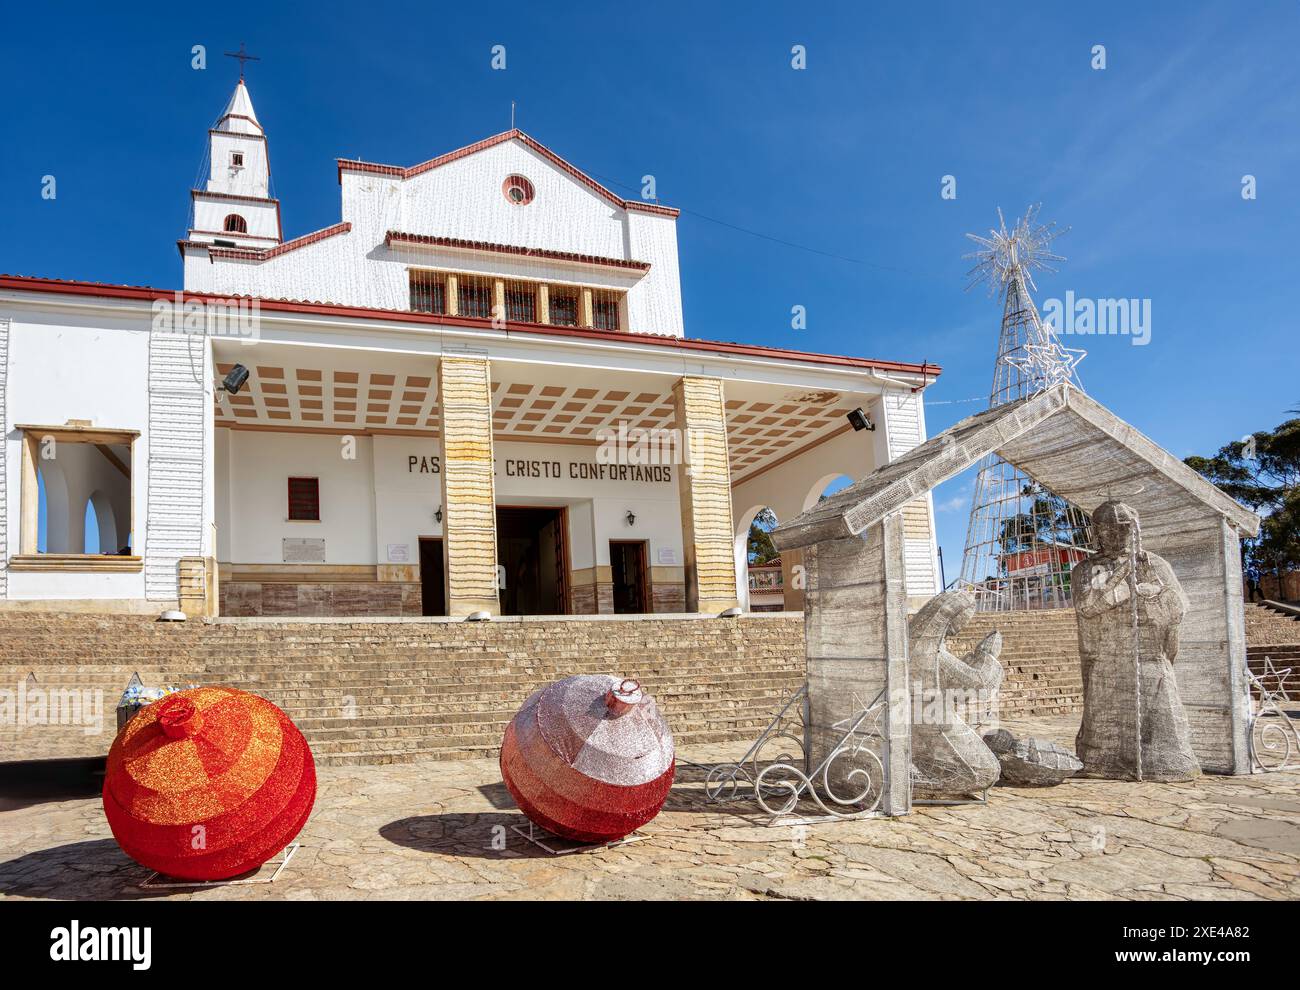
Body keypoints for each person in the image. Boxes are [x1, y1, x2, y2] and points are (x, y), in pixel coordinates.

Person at [1071, 500, 1200, 781]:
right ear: (1097, 532)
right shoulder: (1085, 569)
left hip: (1148, 654)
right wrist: (1126, 587)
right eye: (1107, 530)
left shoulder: (1154, 564)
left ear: (1134, 529)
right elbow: (1087, 606)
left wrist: (1154, 594)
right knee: (1105, 724)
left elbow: (1178, 608)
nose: (1115, 536)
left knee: (1159, 721)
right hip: (1107, 656)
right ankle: (1104, 763)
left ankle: (1164, 763)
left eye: (1122, 529)